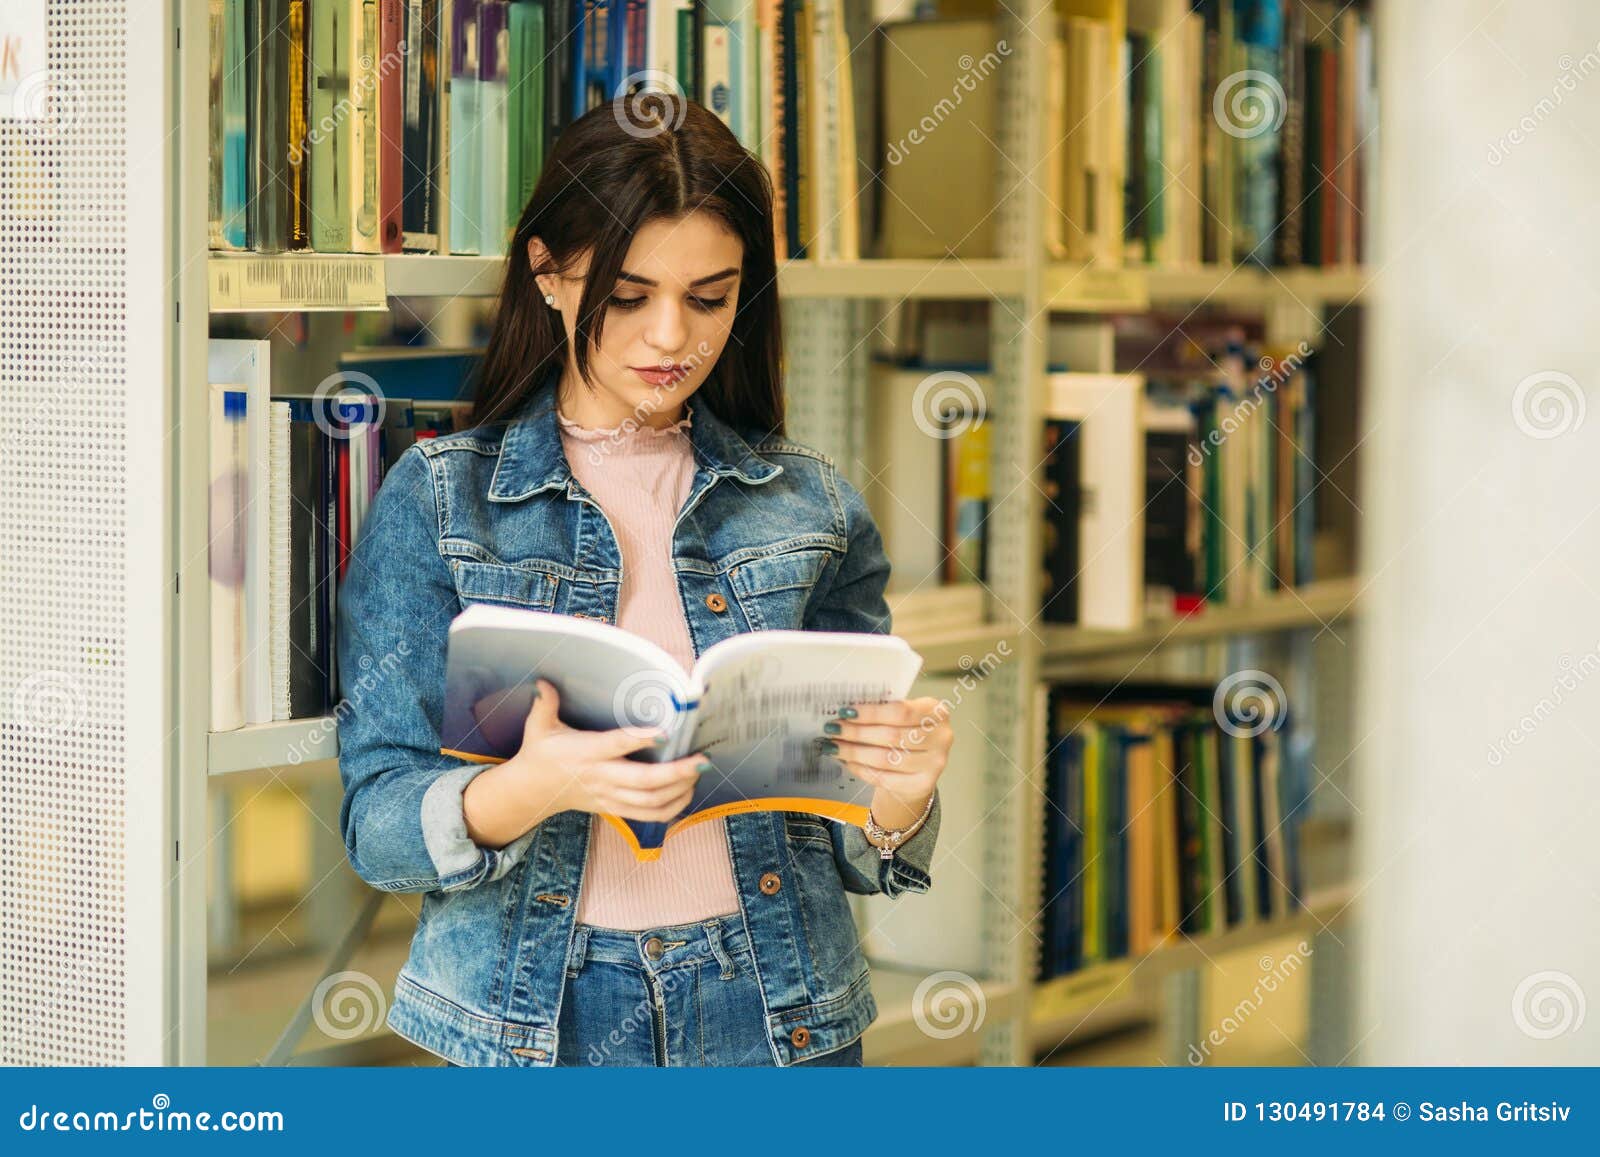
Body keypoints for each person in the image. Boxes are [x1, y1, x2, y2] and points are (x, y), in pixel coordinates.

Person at [335, 94, 953, 1068]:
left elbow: (848, 833)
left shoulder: (809, 504)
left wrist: (900, 800)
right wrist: (525, 789)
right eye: (628, 295)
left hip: (778, 1006)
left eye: (709, 298)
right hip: (533, 1016)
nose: (672, 336)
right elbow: (375, 820)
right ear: (547, 273)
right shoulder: (442, 499)